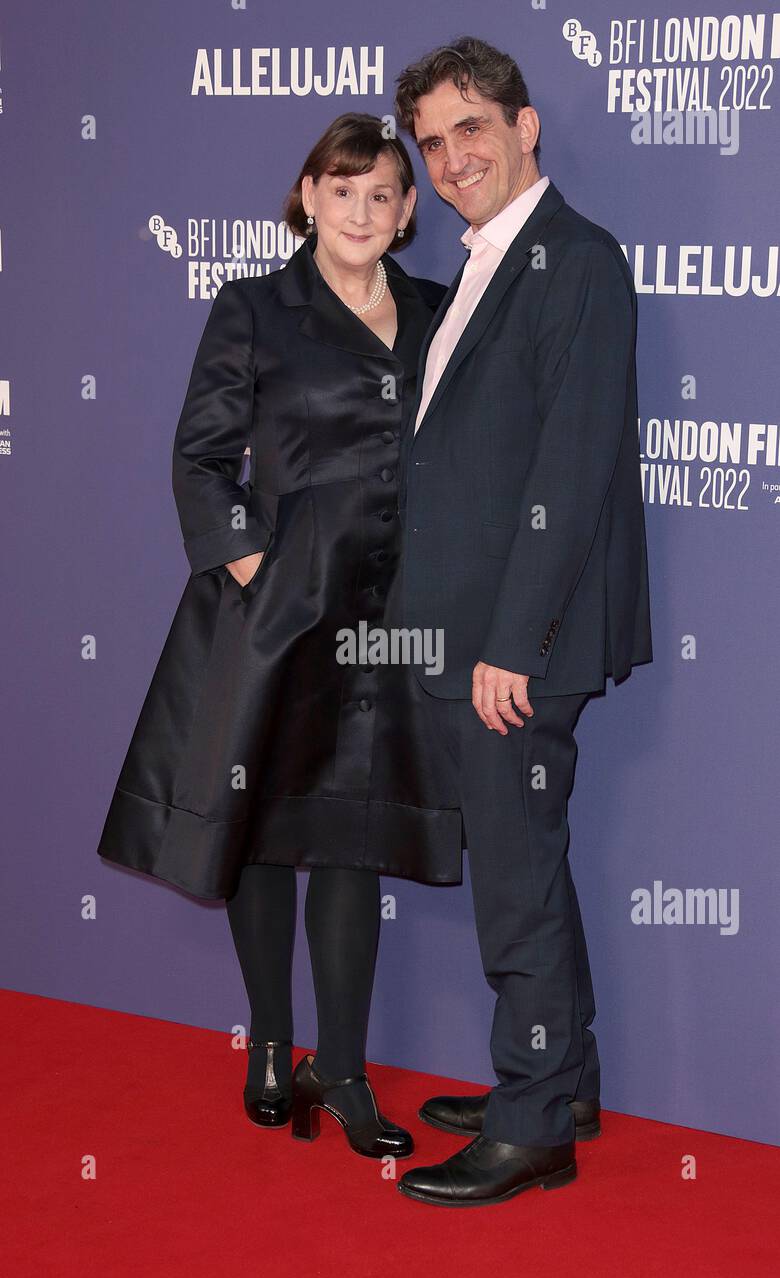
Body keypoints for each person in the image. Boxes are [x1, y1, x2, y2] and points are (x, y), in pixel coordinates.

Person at [96, 114, 463, 1160]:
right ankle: (270, 1041)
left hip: (390, 625)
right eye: (341, 190)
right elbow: (200, 457)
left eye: (383, 193)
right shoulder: (256, 308)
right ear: (308, 196)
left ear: (405, 214)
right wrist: (260, 566)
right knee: (260, 829)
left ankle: (339, 1071)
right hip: (272, 618)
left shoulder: (441, 315)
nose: (361, 211)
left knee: (351, 831)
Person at [391, 36, 653, 1206]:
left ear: (525, 125)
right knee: (527, 867)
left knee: (515, 883)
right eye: (432, 144)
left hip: (513, 646)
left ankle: (534, 1123)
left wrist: (514, 642)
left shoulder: (575, 261)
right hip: (469, 631)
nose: (451, 162)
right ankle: (564, 1079)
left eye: (470, 131)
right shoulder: (486, 264)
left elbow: (572, 466)